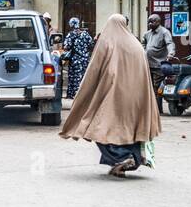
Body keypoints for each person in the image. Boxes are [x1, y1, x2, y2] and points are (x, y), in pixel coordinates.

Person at [60, 14, 161, 178]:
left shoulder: (107, 43)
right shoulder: (136, 44)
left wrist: (84, 93)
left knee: (98, 127)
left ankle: (122, 157)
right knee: (131, 128)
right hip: (137, 99)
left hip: (113, 96)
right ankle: (131, 160)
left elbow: (94, 71)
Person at [141, 13, 175, 113]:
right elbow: (143, 44)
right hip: (148, 64)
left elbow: (169, 44)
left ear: (158, 22)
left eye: (152, 21)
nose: (149, 24)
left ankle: (157, 110)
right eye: (148, 22)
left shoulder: (164, 32)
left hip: (158, 65)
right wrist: (143, 50)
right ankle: (151, 109)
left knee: (156, 88)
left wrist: (171, 53)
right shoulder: (147, 34)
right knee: (148, 87)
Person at [62, 17, 95, 97]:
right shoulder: (85, 34)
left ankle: (73, 94)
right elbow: (91, 44)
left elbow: (67, 47)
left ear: (71, 24)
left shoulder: (71, 34)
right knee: (83, 77)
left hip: (75, 60)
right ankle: (83, 95)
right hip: (84, 60)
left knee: (74, 77)